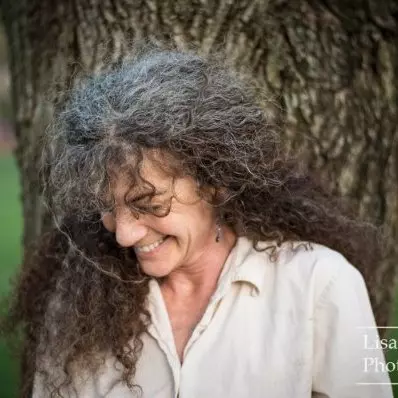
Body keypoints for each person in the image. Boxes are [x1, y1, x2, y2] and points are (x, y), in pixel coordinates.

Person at [3, 48, 393, 398]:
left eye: (147, 204)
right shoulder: (78, 306)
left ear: (214, 184)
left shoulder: (319, 284)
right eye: (107, 208)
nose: (124, 234)